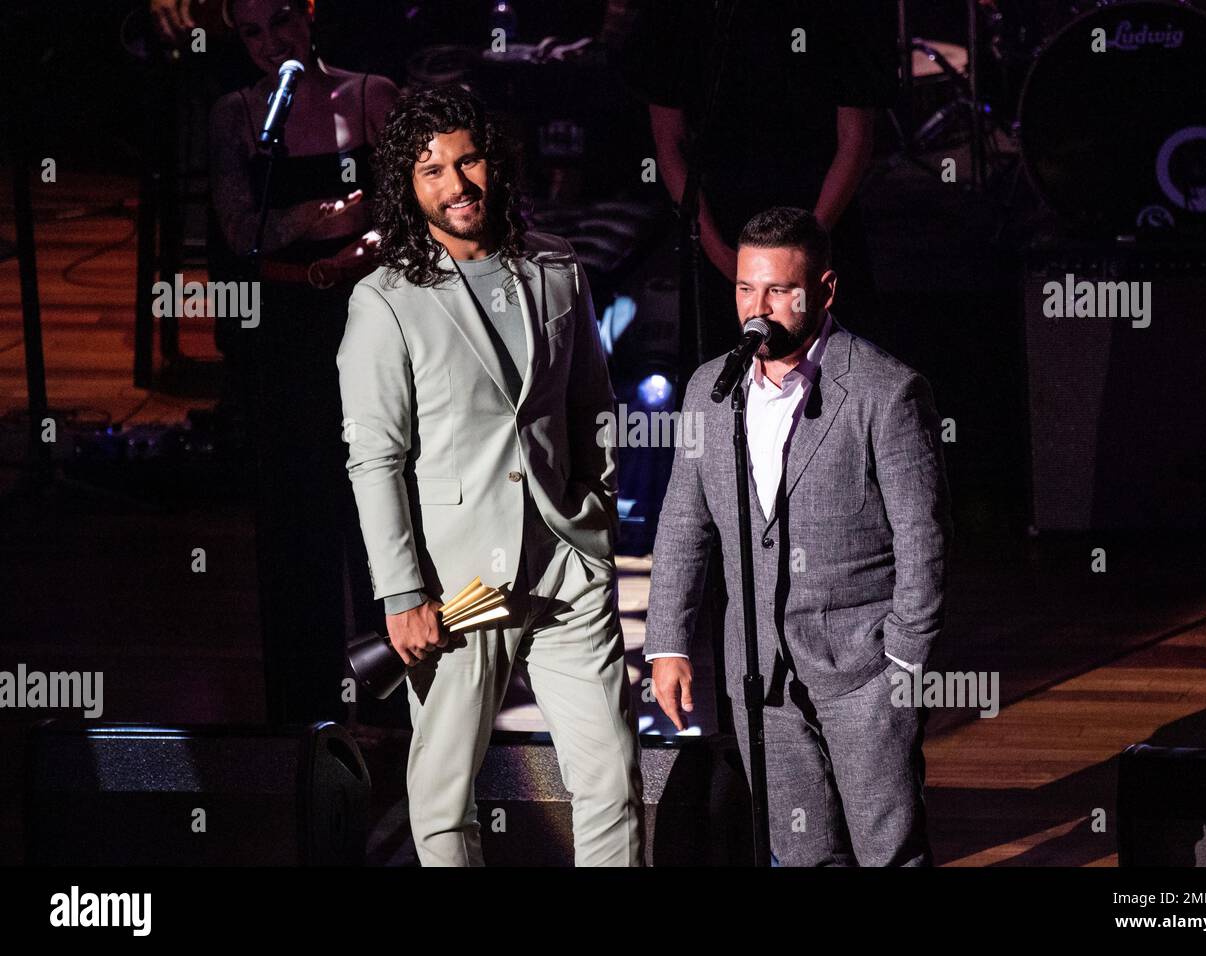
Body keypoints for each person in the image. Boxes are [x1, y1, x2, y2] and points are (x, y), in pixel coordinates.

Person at [337, 86, 646, 866]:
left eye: (467, 159)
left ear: (493, 161)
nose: (456, 183)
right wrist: (402, 593)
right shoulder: (385, 300)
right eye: (431, 169)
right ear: (408, 188)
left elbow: (591, 404)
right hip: (457, 586)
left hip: (566, 563)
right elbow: (375, 457)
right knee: (444, 800)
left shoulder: (555, 266)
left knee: (612, 776)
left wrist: (596, 515)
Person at [644, 207, 951, 866]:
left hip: (866, 667)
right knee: (800, 850)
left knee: (887, 851)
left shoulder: (885, 391)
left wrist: (905, 655)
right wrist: (668, 641)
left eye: (782, 290)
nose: (761, 307)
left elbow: (922, 534)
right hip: (757, 671)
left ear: (825, 290)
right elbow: (683, 521)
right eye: (747, 289)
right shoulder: (709, 391)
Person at [208, 0, 398, 723]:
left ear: (313, 13)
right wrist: (324, 227)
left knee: (379, 512)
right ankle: (303, 711)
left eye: (281, 20)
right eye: (250, 31)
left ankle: (398, 703)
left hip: (370, 324)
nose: (268, 43)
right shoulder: (235, 116)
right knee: (295, 518)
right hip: (285, 333)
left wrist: (357, 249)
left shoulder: (370, 95)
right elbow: (238, 232)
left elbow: (410, 212)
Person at [624, 0, 899, 369]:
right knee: (722, 390)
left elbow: (855, 139)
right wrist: (723, 255)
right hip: (721, 235)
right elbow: (668, 143)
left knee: (839, 387)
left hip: (820, 230)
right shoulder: (683, 14)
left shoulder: (842, 13)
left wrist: (802, 248)